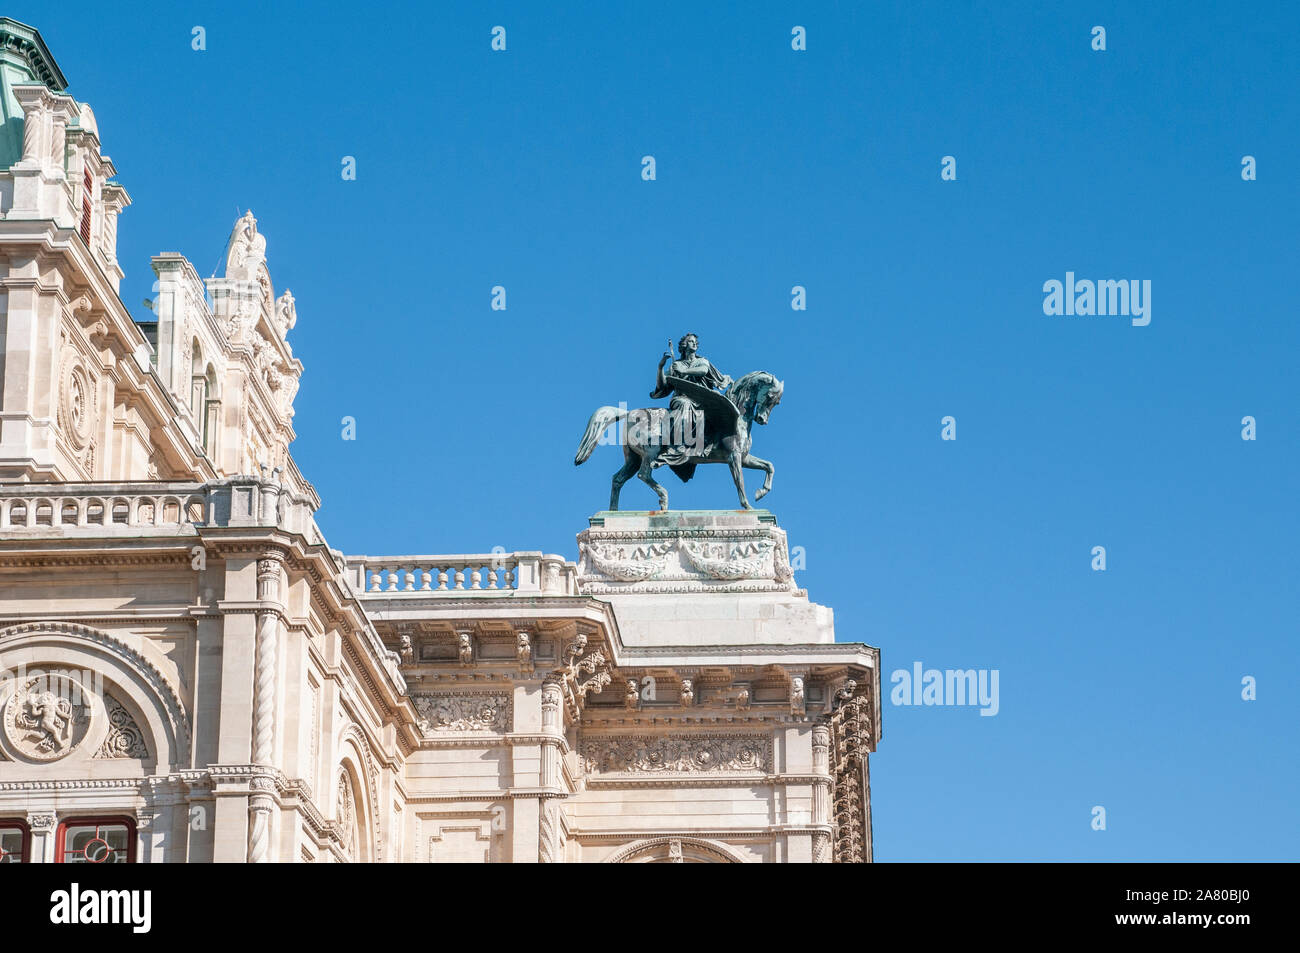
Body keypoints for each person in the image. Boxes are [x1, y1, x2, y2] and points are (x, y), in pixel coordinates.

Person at [650, 333, 732, 466]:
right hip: (681, 398)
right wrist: (660, 367)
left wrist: (683, 372)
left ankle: (706, 444)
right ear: (684, 345)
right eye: (690, 342)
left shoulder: (702, 361)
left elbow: (703, 370)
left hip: (702, 399)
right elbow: (662, 386)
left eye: (695, 342)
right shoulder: (676, 365)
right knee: (685, 404)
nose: (694, 344)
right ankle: (676, 446)